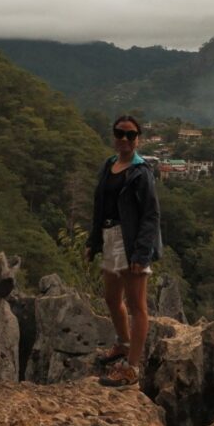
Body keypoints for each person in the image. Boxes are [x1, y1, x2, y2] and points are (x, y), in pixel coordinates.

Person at [85, 114, 163, 388]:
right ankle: (123, 342)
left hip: (130, 244)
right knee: (110, 297)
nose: (125, 139)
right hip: (110, 237)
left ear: (138, 139)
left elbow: (151, 216)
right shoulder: (110, 165)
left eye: (131, 135)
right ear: (114, 136)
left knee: (137, 306)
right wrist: (93, 242)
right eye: (121, 133)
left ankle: (131, 368)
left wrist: (141, 255)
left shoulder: (141, 173)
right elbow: (100, 206)